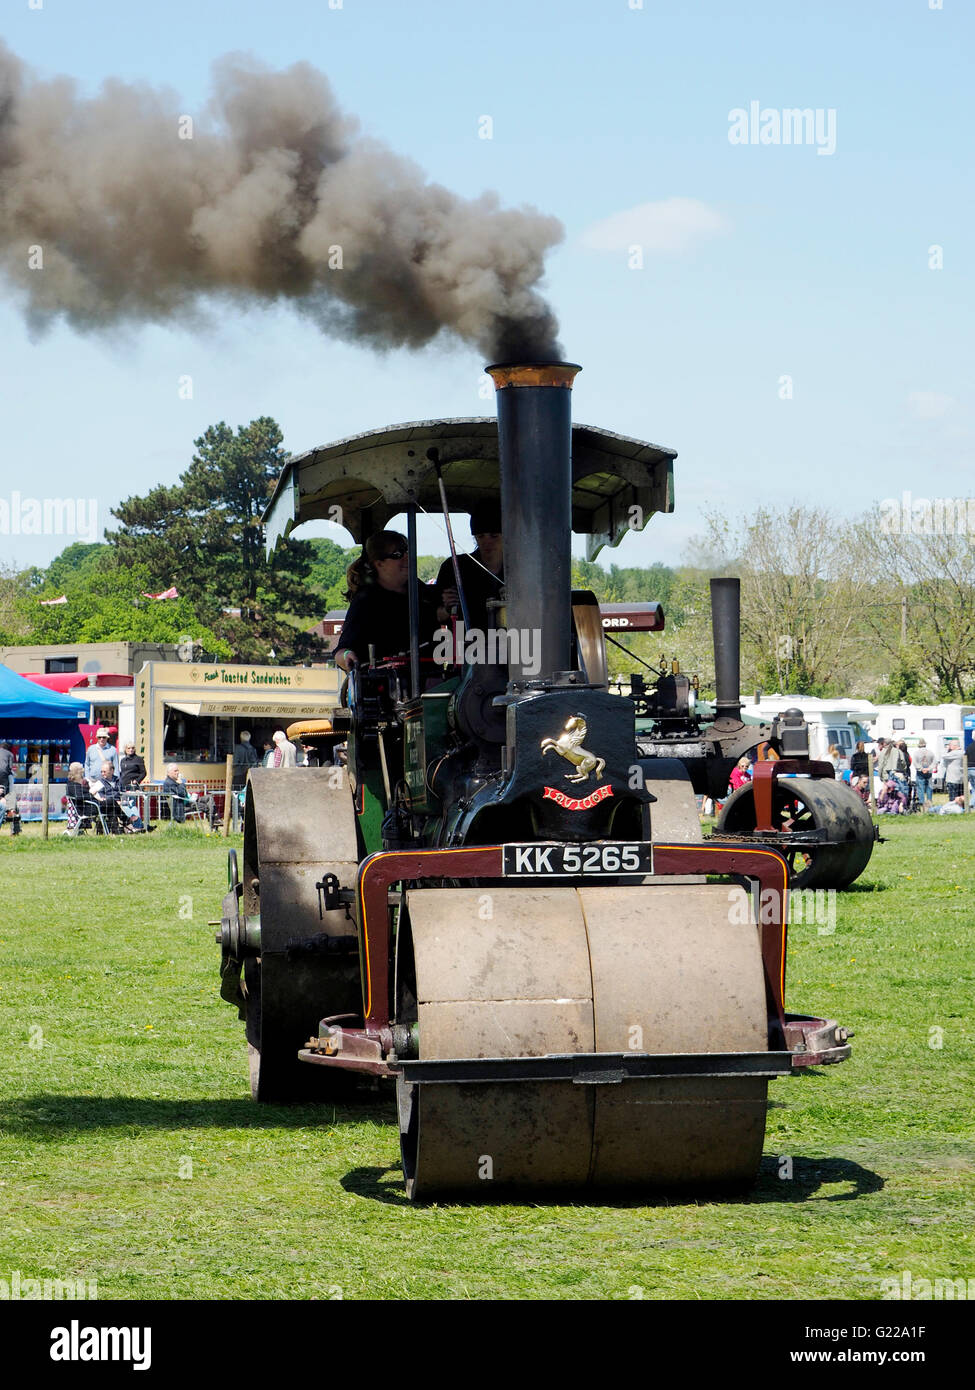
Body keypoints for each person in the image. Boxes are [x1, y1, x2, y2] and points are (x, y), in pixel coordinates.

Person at [333, 531, 442, 673]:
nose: (407, 557)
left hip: (431, 681)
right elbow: (341, 651)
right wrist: (347, 656)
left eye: (407, 551)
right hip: (385, 686)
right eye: (397, 555)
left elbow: (440, 614)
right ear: (379, 564)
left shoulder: (419, 590)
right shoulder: (365, 601)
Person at [435, 502, 505, 635]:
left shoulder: (522, 569)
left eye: (494, 536)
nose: (486, 542)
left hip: (516, 646)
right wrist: (447, 608)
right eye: (480, 536)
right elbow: (437, 617)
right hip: (466, 648)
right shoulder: (454, 567)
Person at [89, 759, 126, 833]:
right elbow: (90, 793)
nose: (102, 774)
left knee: (113, 809)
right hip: (107, 805)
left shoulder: (118, 780)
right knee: (111, 803)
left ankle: (117, 830)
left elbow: (123, 792)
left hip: (119, 804)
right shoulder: (100, 782)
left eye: (104, 771)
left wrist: (122, 800)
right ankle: (126, 820)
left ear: (112, 771)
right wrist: (99, 798)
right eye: (101, 771)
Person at [913, 739, 936, 809]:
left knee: (920, 787)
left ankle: (921, 802)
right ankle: (929, 801)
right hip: (928, 772)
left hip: (920, 772)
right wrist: (928, 769)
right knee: (929, 787)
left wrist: (921, 769)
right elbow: (934, 762)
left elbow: (914, 762)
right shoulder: (930, 752)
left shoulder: (916, 753)